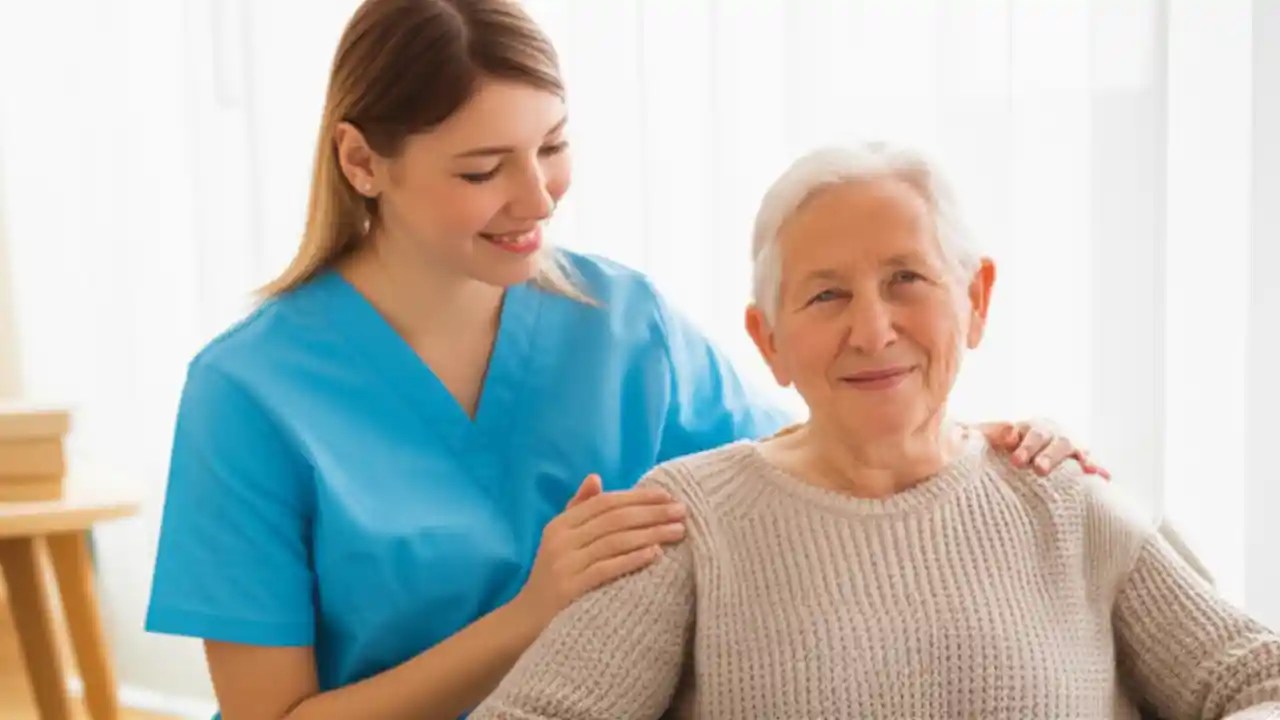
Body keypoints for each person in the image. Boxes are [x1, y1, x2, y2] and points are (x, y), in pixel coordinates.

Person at [144, 3, 1104, 719]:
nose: (537, 197)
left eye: (552, 148)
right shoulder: (248, 394)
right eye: (482, 170)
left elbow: (810, 483)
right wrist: (532, 613)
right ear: (363, 163)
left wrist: (972, 443)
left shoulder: (623, 324)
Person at [471, 144, 1280, 720]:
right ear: (769, 340)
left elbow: (1257, 680)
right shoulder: (688, 522)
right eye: (826, 296)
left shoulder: (1062, 498)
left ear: (977, 300)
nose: (874, 329)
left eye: (907, 280)